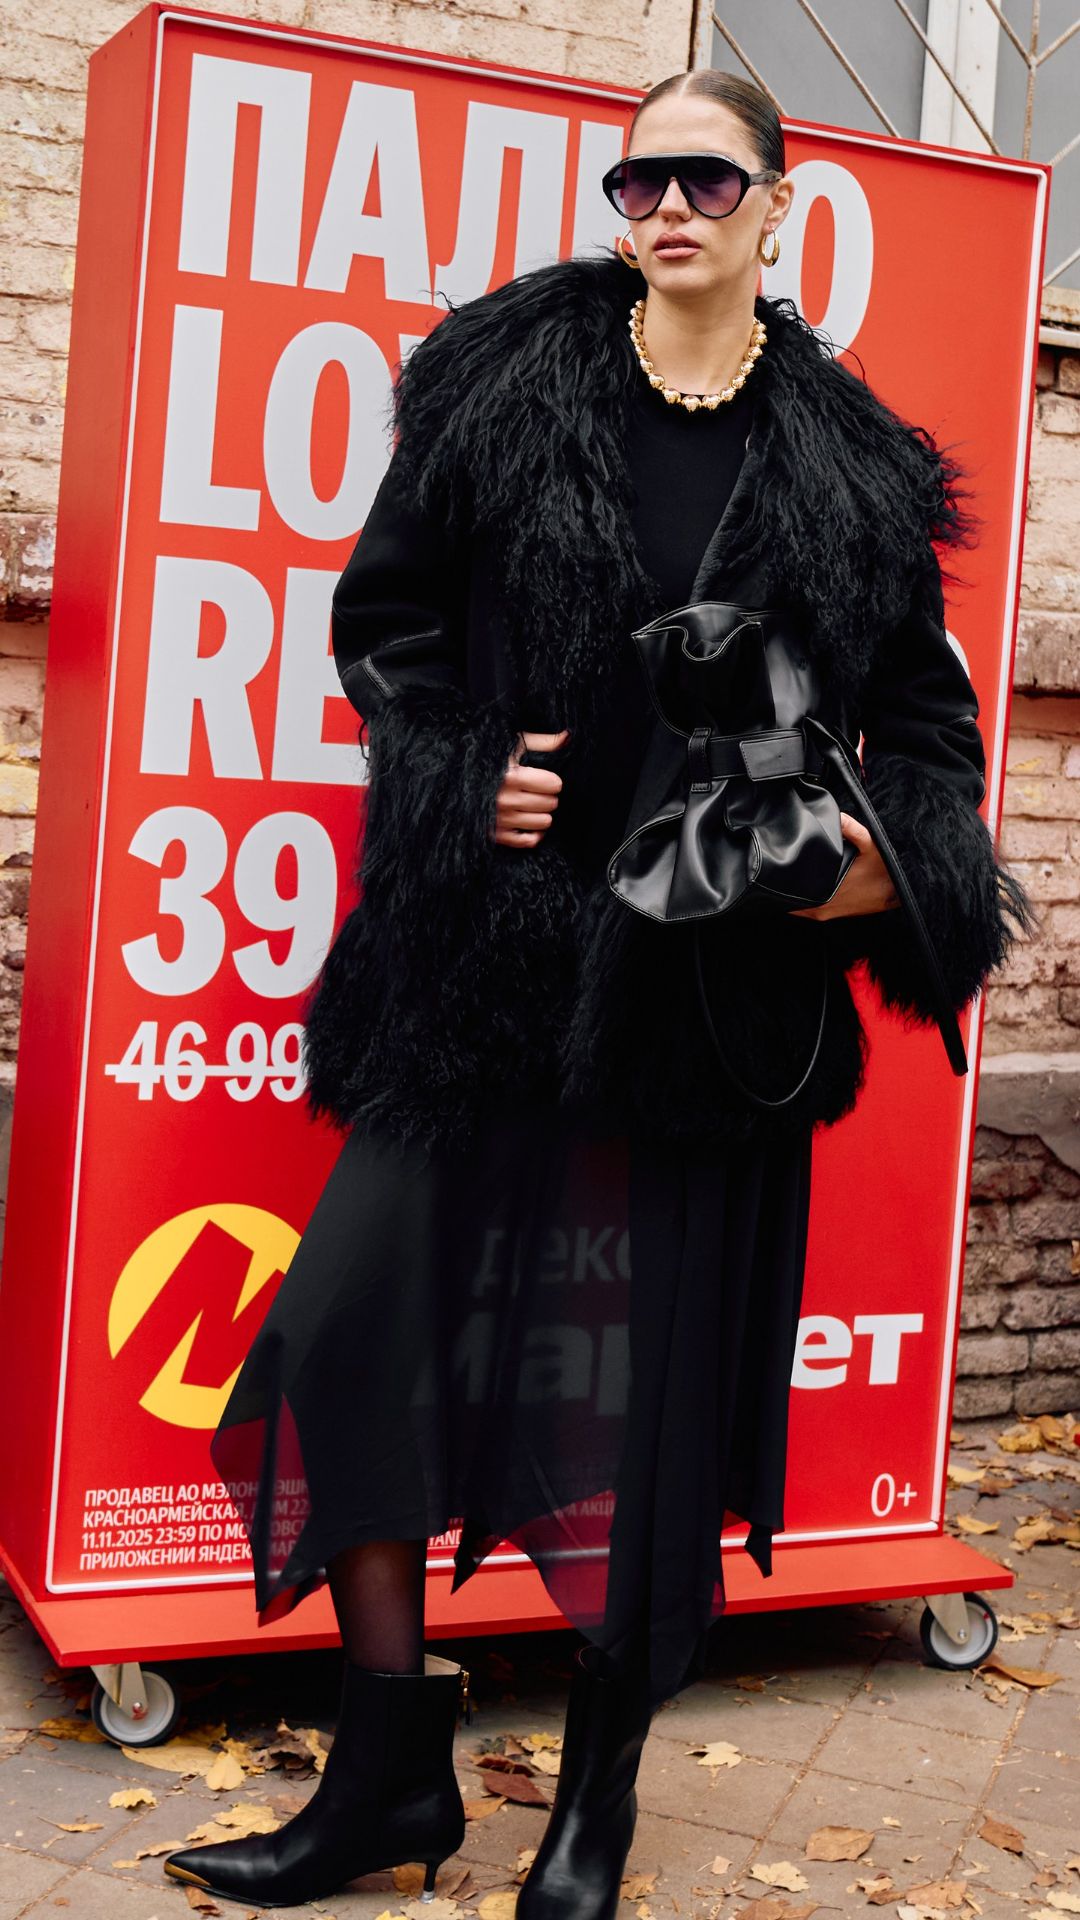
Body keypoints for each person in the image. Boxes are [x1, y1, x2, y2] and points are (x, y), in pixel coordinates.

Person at [163, 66, 1033, 1919]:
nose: (671, 208)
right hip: (486, 972)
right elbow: (385, 625)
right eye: (642, 180)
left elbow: (929, 735)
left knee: (656, 1418)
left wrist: (885, 869)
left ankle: (596, 1810)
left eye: (709, 180)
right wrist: (459, 765)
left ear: (778, 204)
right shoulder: (499, 385)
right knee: (351, 1330)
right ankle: (389, 1774)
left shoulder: (859, 471)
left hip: (709, 1002)